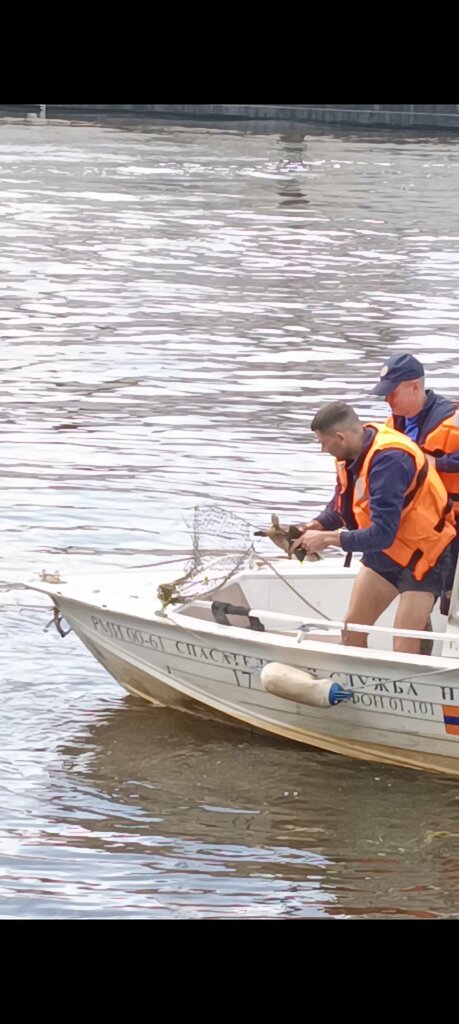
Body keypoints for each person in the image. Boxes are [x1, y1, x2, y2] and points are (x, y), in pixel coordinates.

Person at [291, 402, 455, 654]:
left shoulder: (390, 461)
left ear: (340, 437)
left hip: (425, 554)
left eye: (323, 443)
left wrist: (328, 539)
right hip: (388, 552)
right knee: (352, 629)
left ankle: (406, 688)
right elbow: (340, 506)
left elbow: (382, 534)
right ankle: (354, 683)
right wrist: (316, 525)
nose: (323, 449)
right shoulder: (349, 455)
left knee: (404, 641)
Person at [370, 353, 459, 612]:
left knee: (448, 600)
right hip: (417, 526)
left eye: (392, 393)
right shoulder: (391, 426)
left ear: (415, 387)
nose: (387, 400)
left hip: (452, 524)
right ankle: (421, 642)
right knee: (421, 594)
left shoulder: (453, 419)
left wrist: (437, 463)